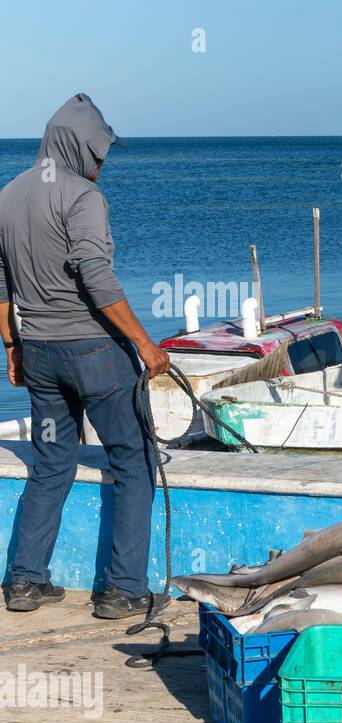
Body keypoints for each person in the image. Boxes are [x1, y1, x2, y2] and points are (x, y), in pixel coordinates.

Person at [1, 95, 171, 618]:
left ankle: (26, 582)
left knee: (52, 462)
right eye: (99, 154)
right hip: (95, 353)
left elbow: (3, 286)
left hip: (41, 356)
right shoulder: (82, 197)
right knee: (136, 460)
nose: (101, 165)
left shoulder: (8, 194)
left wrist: (12, 348)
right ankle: (123, 590)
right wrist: (146, 345)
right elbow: (97, 279)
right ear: (78, 148)